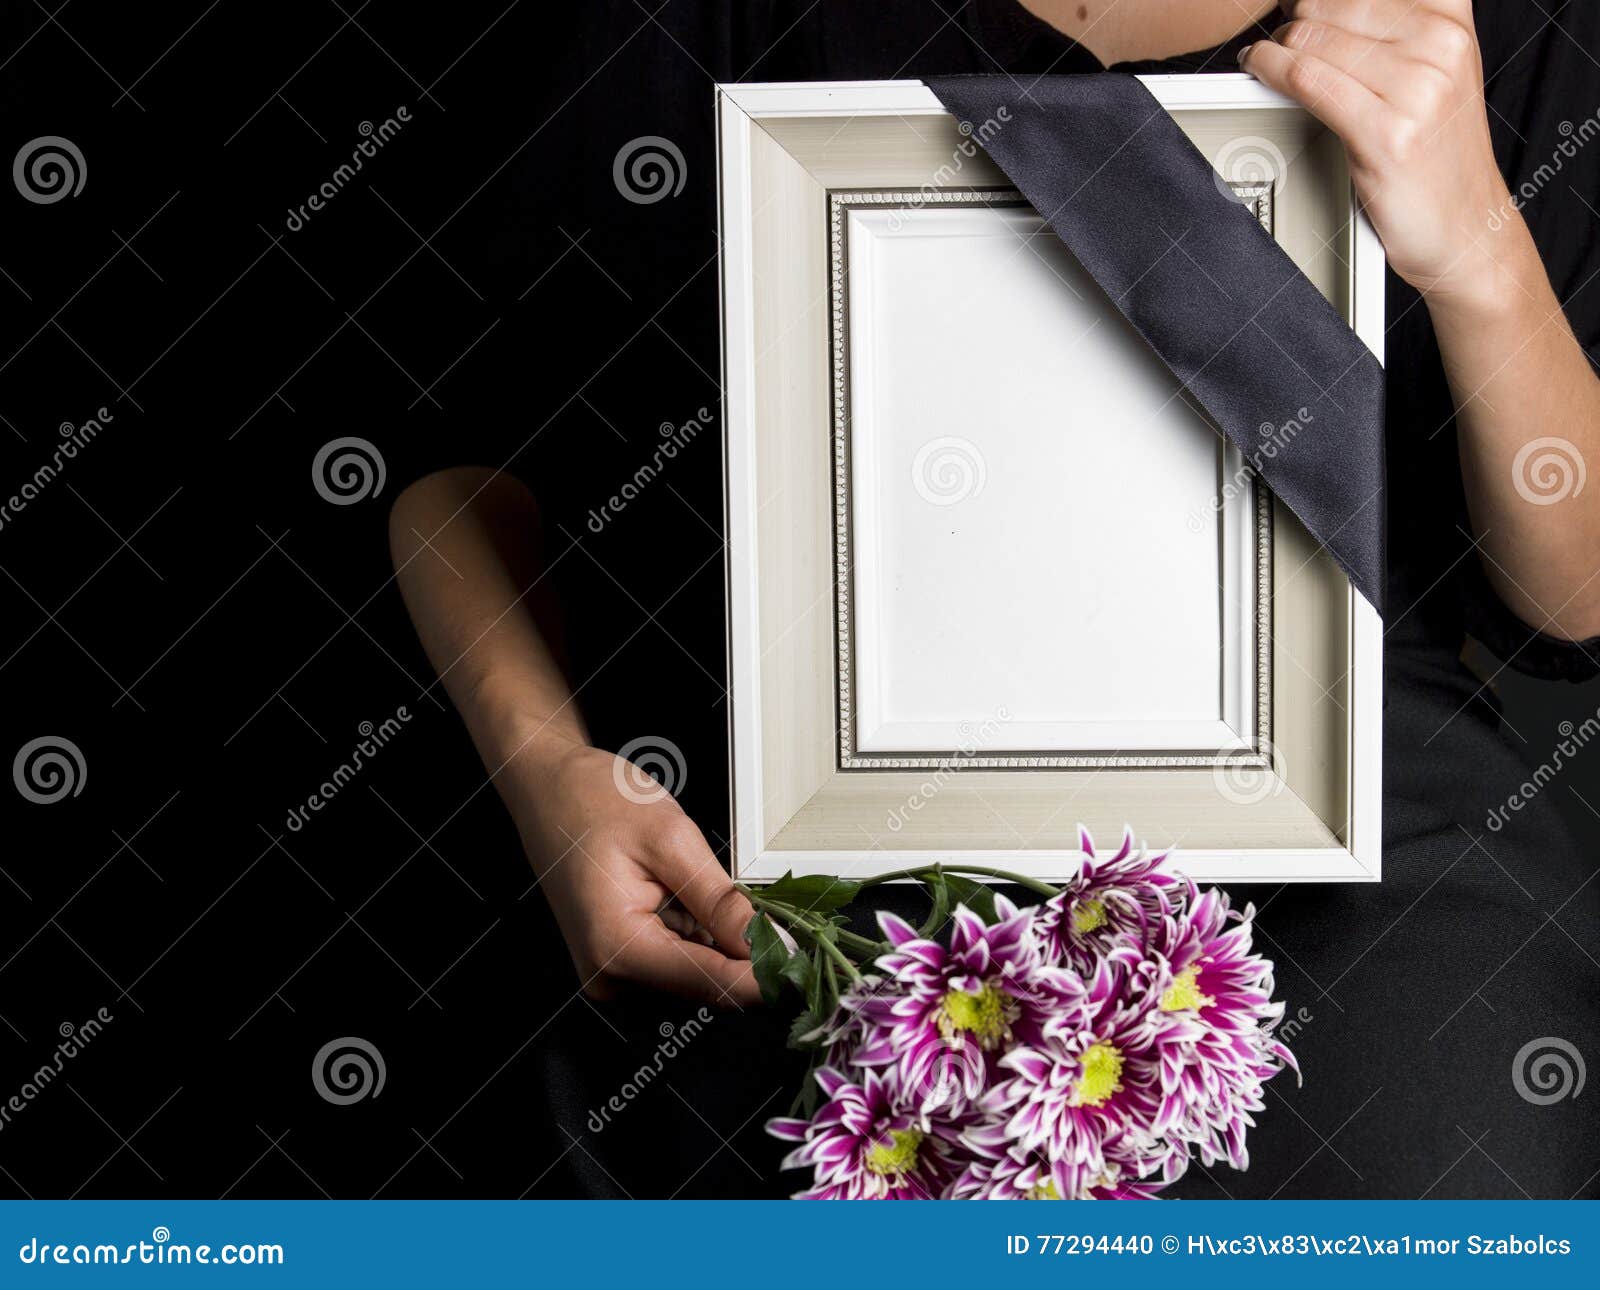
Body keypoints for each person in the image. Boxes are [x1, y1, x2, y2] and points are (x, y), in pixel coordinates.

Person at [390, 1, 1600, 1197]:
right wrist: (547, 769)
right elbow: (466, 459)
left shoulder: (1494, 28)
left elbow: (1574, 604)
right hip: (809, 792)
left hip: (1348, 804)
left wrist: (1483, 253)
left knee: (1434, 1122)